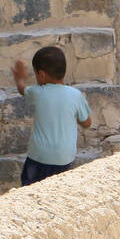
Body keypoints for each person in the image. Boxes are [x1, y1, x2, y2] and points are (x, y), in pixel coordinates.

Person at [11, 46, 92, 186]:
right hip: (64, 158)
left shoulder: (37, 92)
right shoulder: (75, 95)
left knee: (29, 191)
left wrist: (20, 79)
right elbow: (87, 123)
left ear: (41, 75)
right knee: (58, 190)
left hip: (38, 156)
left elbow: (22, 90)